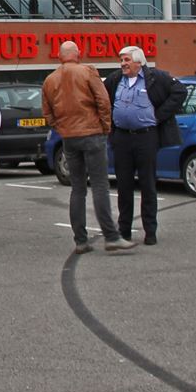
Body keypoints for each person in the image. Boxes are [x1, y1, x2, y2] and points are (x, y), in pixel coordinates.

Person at [43, 41, 133, 254]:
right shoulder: (87, 72)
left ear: (59, 56)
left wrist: (62, 128)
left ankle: (80, 240)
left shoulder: (50, 80)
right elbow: (103, 101)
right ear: (78, 54)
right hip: (92, 134)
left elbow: (47, 113)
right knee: (100, 185)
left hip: (69, 138)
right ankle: (111, 237)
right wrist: (105, 127)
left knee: (78, 188)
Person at [103, 46, 186, 247]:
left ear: (139, 62)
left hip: (146, 137)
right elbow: (103, 100)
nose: (123, 63)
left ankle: (150, 231)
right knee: (124, 186)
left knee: (148, 184)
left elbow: (180, 91)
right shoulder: (115, 80)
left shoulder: (156, 78)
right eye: (121, 60)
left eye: (126, 60)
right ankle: (124, 231)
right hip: (122, 138)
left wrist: (159, 115)